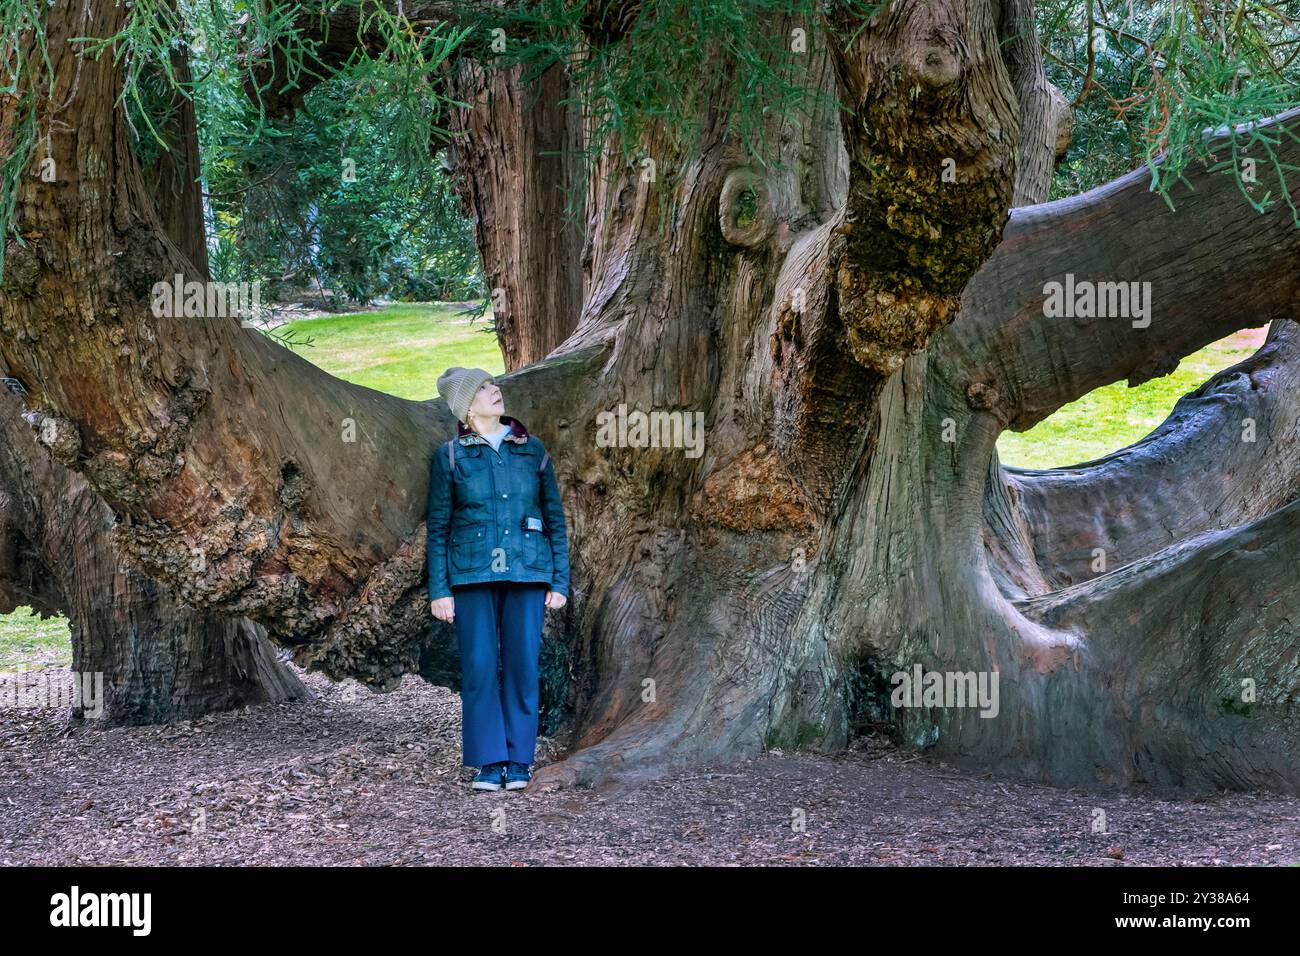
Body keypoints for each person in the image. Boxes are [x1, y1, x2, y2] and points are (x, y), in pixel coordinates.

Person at [428, 367, 570, 792]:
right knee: (480, 667)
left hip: (528, 572)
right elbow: (439, 527)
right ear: (468, 406)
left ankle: (520, 759)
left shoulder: (532, 450)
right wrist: (440, 590)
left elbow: (555, 520)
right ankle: (491, 762)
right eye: (485, 389)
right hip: (471, 576)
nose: (496, 391)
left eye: (494, 385)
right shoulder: (450, 457)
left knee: (524, 665)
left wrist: (559, 581)